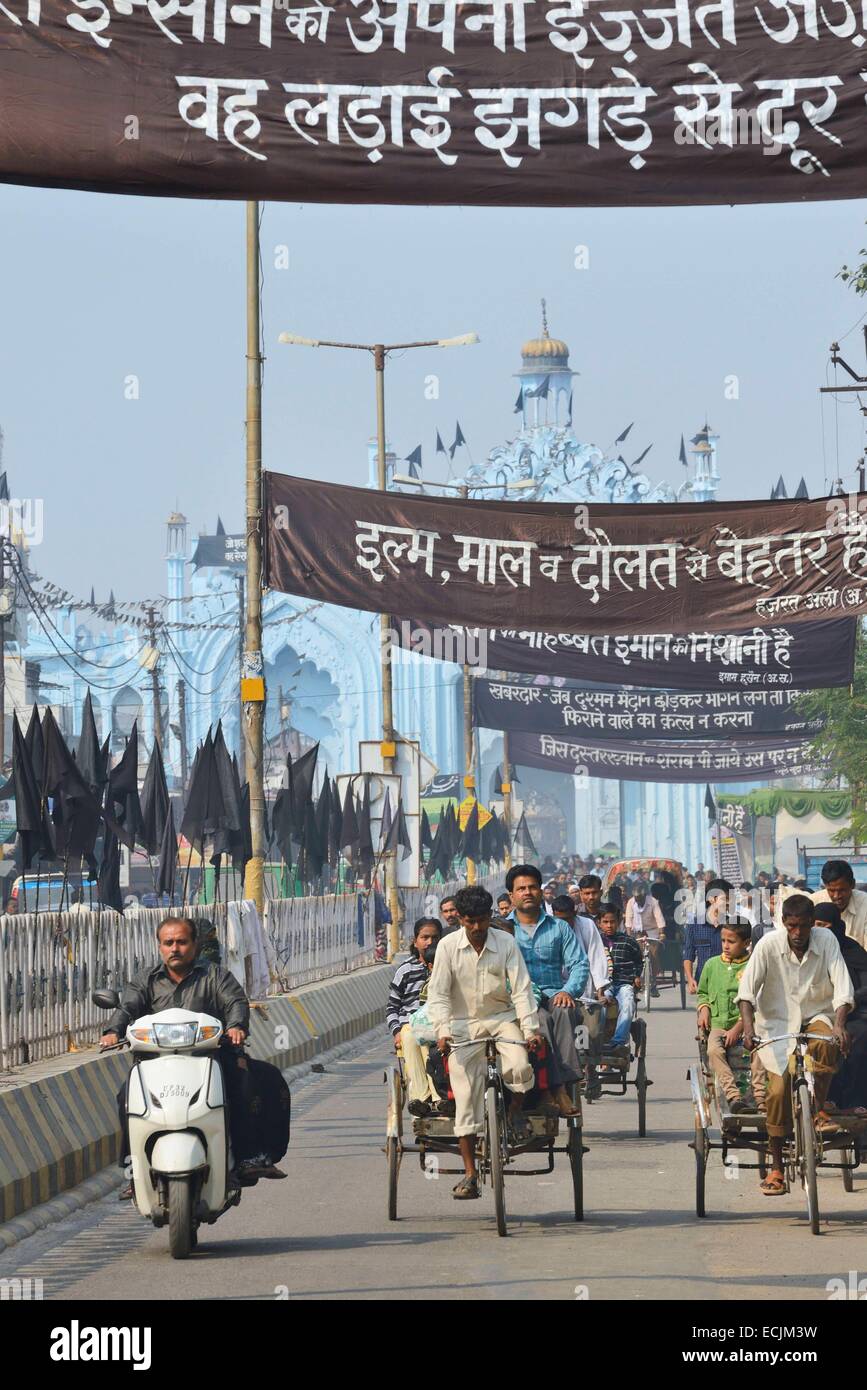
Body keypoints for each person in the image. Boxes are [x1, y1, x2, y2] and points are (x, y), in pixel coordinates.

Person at [102, 917, 290, 1199]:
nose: (174, 948)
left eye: (181, 942)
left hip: (211, 1057)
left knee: (243, 1085)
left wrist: (236, 1026)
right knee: (127, 1098)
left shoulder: (216, 976)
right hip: (157, 1062)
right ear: (160, 946)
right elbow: (127, 1007)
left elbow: (235, 1002)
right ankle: (133, 1170)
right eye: (168, 943)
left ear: (195, 945)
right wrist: (112, 1031)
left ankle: (247, 1157)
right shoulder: (146, 980)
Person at [426, 885, 543, 1200]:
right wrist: (443, 1030)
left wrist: (530, 1029)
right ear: (460, 920)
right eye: (469, 922)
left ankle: (513, 1111)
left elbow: (521, 988)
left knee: (520, 1067)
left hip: (502, 1019)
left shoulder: (505, 942)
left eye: (481, 920)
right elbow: (438, 994)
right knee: (465, 1099)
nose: (476, 928)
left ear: (490, 917)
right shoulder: (448, 946)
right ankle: (470, 1174)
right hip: (462, 1027)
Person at [738, 894, 853, 1197]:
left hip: (817, 1015)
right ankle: (776, 1167)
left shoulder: (826, 940)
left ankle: (816, 1110)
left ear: (811, 924)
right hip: (776, 1023)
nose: (798, 933)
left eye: (803, 926)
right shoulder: (768, 945)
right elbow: (747, 993)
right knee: (776, 1092)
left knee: (827, 1043)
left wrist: (840, 1024)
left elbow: (842, 986)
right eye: (792, 926)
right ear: (783, 924)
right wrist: (748, 1028)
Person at [505, 864, 588, 1117]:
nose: (527, 892)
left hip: (555, 993)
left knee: (563, 1012)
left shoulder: (559, 928)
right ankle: (554, 1088)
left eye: (532, 887)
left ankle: (563, 1086)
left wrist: (568, 991)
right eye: (521, 889)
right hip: (519, 998)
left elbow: (579, 964)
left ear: (540, 892)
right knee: (539, 1020)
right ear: (511, 896)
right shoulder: (502, 930)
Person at [552, 893, 610, 1098]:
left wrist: (601, 986)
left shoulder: (586, 926)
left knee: (590, 1032)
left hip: (585, 992)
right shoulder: (550, 928)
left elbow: (596, 956)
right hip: (558, 994)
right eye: (559, 919)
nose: (564, 924)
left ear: (574, 914)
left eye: (567, 919)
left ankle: (591, 1068)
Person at [387, 917, 446, 1117]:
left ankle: (440, 1098)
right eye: (425, 937)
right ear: (415, 941)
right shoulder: (405, 970)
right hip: (410, 1024)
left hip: (440, 1024)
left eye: (435, 937)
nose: (430, 942)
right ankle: (422, 1098)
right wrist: (396, 1032)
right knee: (413, 1036)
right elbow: (392, 1008)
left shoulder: (448, 966)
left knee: (427, 1040)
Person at [814, 902, 867, 1112]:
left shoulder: (852, 950)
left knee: (858, 1041)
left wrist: (848, 1000)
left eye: (825, 926)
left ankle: (856, 1101)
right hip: (819, 1013)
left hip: (854, 1013)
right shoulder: (811, 950)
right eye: (816, 926)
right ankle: (826, 1099)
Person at [696, 921, 754, 1113]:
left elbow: (757, 999)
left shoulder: (753, 965)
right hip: (718, 1025)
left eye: (732, 941)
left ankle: (761, 1099)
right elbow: (702, 993)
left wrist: (738, 1028)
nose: (726, 946)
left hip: (748, 1026)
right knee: (713, 1050)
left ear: (746, 943)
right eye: (723, 941)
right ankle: (733, 1096)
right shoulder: (711, 965)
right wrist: (704, 1009)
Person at [597, 902, 643, 1051]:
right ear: (599, 923)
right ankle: (597, 1040)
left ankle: (618, 1041)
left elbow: (638, 961)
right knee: (599, 1006)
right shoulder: (596, 942)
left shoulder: (628, 941)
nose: (609, 925)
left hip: (624, 984)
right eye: (605, 922)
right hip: (605, 984)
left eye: (612, 922)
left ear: (618, 922)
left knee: (628, 1003)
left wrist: (636, 976)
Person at [683, 878, 732, 994]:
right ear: (712, 899)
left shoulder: (733, 925)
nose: (730, 903)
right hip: (703, 983)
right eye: (726, 899)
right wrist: (690, 979)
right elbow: (688, 956)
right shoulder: (694, 925)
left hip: (728, 984)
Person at [813, 858, 867, 949]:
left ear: (853, 884)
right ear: (825, 886)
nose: (836, 896)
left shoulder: (865, 905)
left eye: (842, 890)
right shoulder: (813, 902)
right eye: (831, 890)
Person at [625, 881, 665, 996]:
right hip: (637, 933)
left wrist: (662, 933)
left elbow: (659, 918)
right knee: (635, 955)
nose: (638, 901)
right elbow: (628, 921)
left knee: (654, 953)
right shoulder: (631, 903)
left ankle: (653, 982)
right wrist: (629, 936)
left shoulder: (653, 902)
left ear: (644, 896)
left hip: (652, 932)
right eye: (636, 898)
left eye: (640, 898)